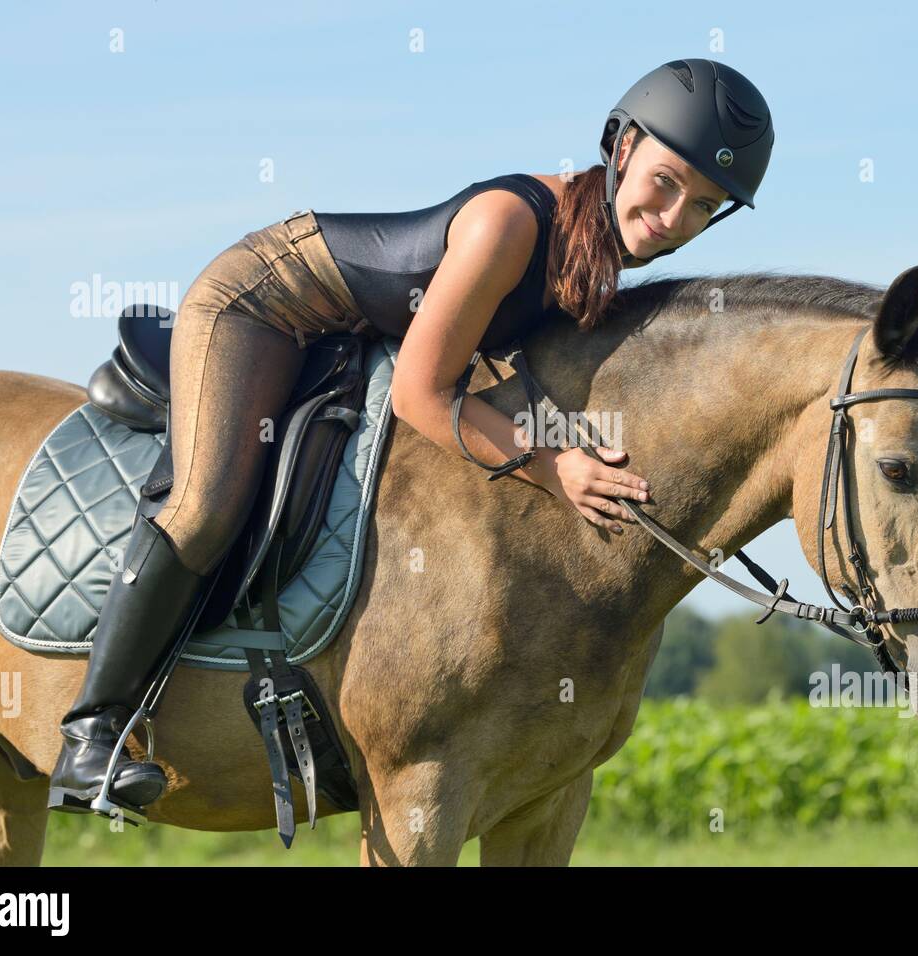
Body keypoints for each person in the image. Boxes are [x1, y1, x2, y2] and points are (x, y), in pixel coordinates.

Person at [48, 57, 775, 815]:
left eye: (702, 206)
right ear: (621, 148)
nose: (672, 217)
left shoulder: (591, 259)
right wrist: (555, 468)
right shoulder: (511, 224)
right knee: (207, 502)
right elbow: (421, 395)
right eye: (666, 181)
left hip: (356, 329)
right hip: (264, 304)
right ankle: (93, 735)